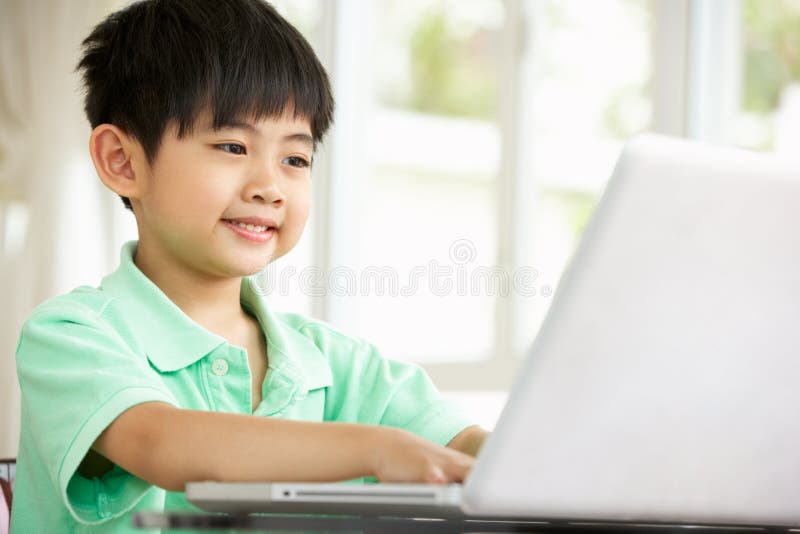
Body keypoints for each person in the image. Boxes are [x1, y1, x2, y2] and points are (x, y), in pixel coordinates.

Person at [10, 0, 488, 531]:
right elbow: (163, 442)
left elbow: (466, 446)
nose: (269, 187)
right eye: (233, 145)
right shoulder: (72, 337)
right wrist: (377, 449)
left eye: (295, 159)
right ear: (123, 161)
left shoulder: (337, 364)